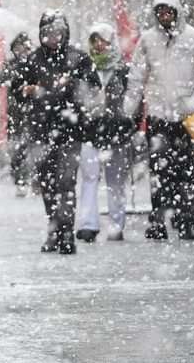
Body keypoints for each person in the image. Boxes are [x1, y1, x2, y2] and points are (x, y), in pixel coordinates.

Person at [121, 0, 194, 241]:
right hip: (158, 115)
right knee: (159, 171)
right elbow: (136, 77)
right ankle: (158, 220)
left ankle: (186, 219)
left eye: (168, 11)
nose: (164, 16)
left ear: (177, 13)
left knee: (189, 171)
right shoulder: (148, 40)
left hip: (190, 115)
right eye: (160, 12)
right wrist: (129, 107)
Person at [14, 10, 97, 254]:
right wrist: (26, 91)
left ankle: (67, 233)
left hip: (70, 131)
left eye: (57, 33)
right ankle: (55, 231)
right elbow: (17, 89)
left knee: (66, 183)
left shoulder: (78, 59)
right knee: (48, 185)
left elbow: (93, 88)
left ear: (65, 33)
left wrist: (72, 84)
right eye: (47, 34)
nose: (53, 39)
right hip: (41, 131)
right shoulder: (32, 60)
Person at [78, 23, 130, 242]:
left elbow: (134, 98)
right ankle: (88, 224)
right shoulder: (84, 67)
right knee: (90, 176)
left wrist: (130, 122)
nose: (100, 45)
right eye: (95, 40)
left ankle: (116, 224)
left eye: (104, 40)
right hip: (90, 130)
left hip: (116, 130)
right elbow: (78, 98)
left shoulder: (122, 69)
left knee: (115, 179)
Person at [0, 32, 38, 198]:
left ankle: (36, 181)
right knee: (18, 152)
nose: (20, 51)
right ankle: (21, 182)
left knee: (35, 150)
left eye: (23, 48)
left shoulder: (35, 63)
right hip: (16, 115)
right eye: (17, 48)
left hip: (35, 113)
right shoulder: (11, 65)